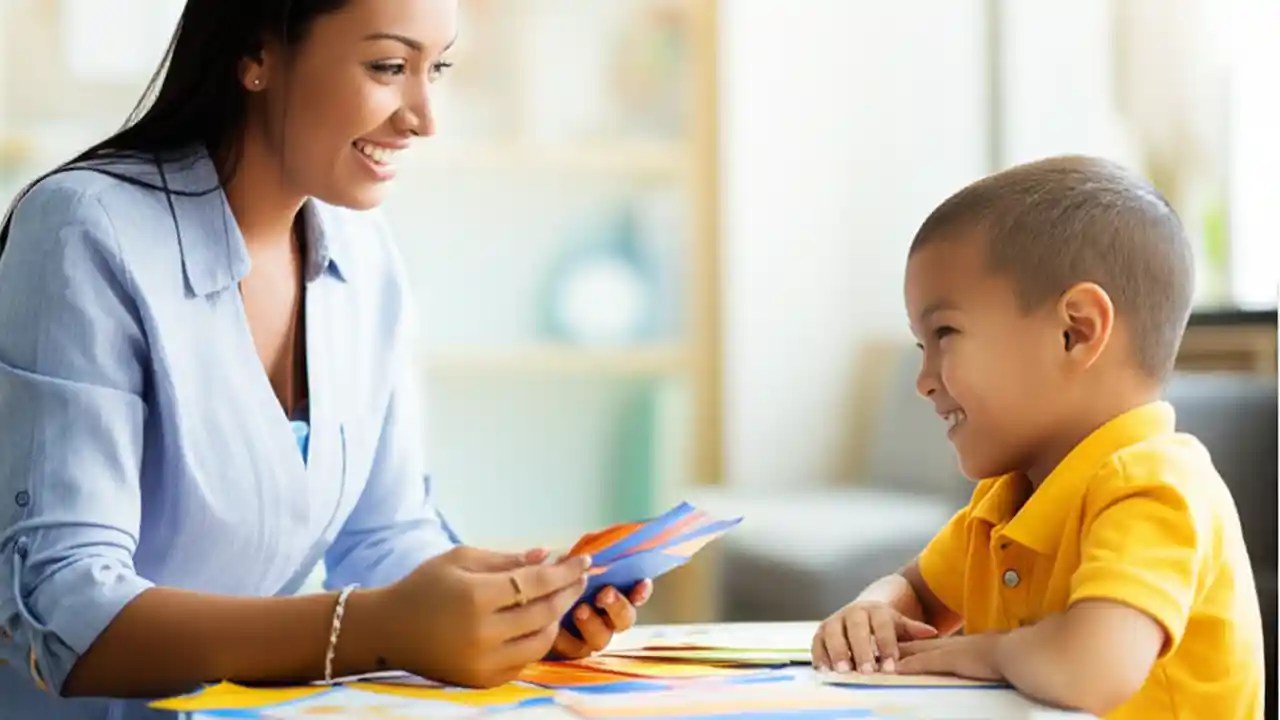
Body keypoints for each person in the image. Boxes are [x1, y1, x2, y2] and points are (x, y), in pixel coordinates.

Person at [0, 2, 650, 718]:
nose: (425, 118)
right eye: (389, 67)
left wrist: (513, 614)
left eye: (437, 68)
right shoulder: (83, 231)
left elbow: (385, 538)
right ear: (257, 55)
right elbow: (63, 607)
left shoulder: (363, 250)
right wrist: (374, 628)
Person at [812, 156, 1264, 719]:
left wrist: (986, 651)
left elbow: (1092, 670)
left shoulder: (1155, 487)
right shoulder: (1005, 501)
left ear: (1075, 331)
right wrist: (874, 609)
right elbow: (917, 593)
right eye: (921, 346)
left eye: (945, 333)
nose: (923, 381)